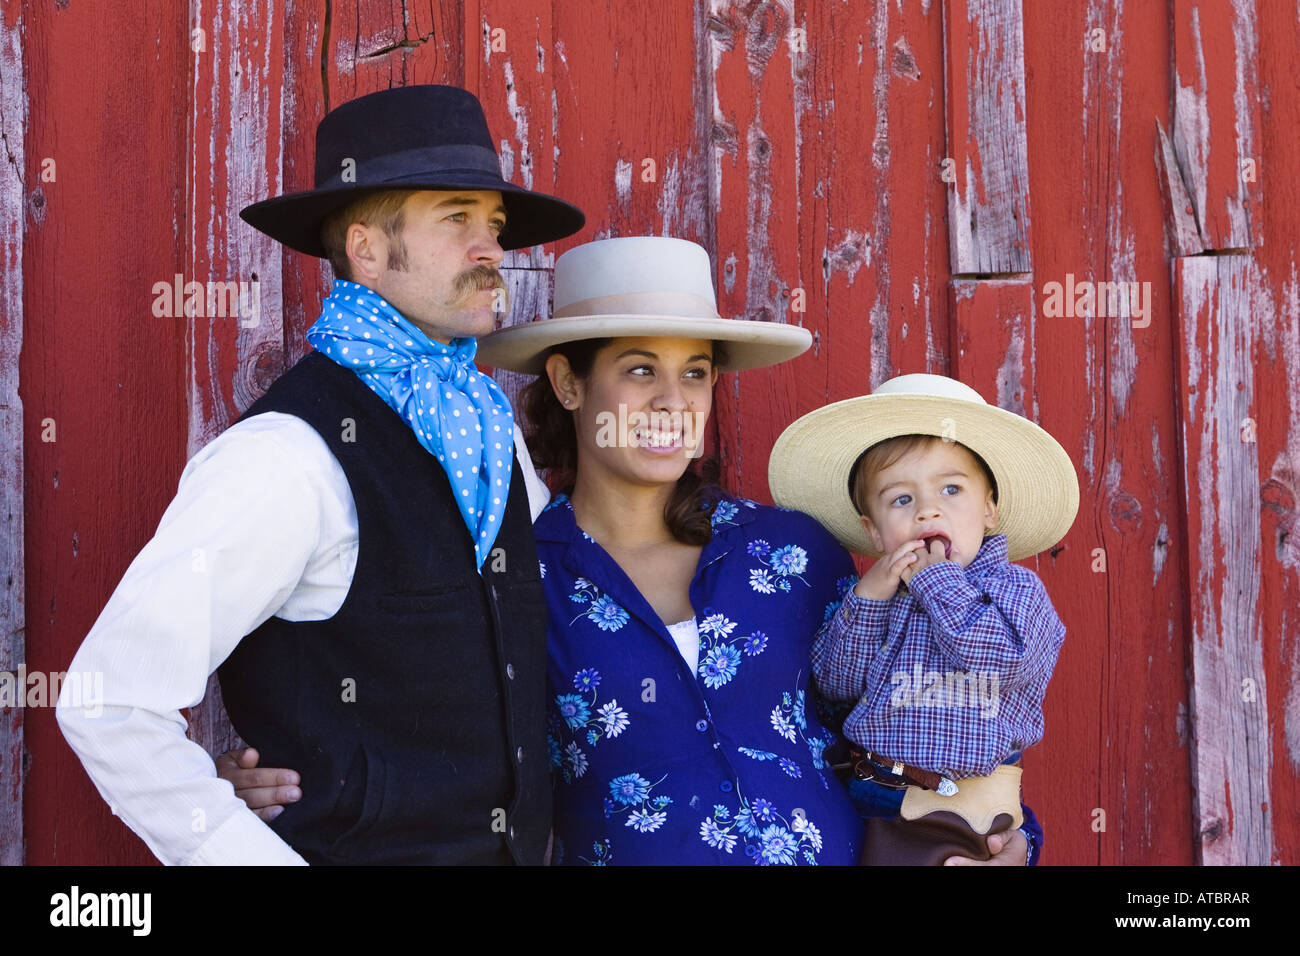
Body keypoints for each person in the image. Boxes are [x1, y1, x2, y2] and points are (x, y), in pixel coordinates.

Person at [225, 237, 1041, 864]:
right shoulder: (512, 580)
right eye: (640, 368)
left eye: (695, 374)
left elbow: (912, 713)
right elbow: (423, 741)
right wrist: (269, 786)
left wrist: (998, 832)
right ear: (570, 384)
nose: (670, 401)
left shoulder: (795, 554)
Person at [55, 84, 585, 865]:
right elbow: (111, 702)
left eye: (495, 227)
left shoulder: (486, 430)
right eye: (457, 221)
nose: (491, 252)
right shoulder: (284, 457)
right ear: (367, 250)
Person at [768, 373, 1078, 864]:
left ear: (989, 509)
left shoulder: (1016, 590)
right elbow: (835, 683)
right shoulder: (875, 596)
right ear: (873, 531)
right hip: (872, 797)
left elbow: (1002, 661)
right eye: (901, 500)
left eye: (951, 489)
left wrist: (937, 582)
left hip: (964, 807)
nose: (928, 511)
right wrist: (866, 601)